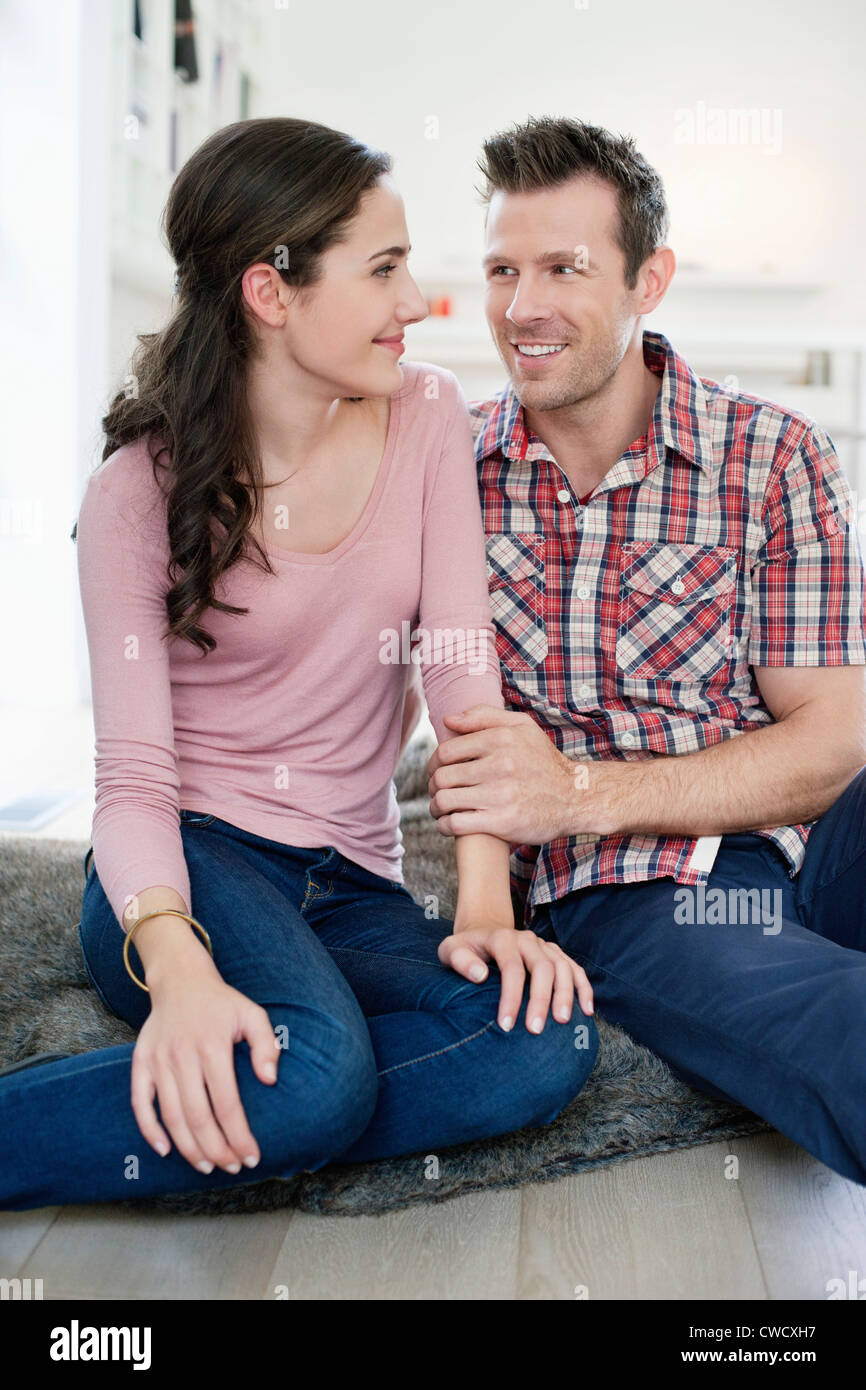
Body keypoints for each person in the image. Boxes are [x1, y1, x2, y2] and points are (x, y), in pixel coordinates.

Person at [0, 116, 598, 1213]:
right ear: (270, 294)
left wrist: (482, 906)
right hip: (190, 865)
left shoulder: (425, 418)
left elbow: (463, 680)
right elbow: (134, 785)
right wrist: (176, 971)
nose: (416, 300)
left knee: (541, 1036)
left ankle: (272, 1103)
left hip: (350, 877)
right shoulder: (136, 492)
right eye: (382, 269)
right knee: (318, 1070)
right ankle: (273, 1088)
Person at [426, 115, 866, 1186]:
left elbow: (836, 738)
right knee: (835, 1021)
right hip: (633, 888)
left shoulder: (767, 455)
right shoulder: (446, 472)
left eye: (562, 268)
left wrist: (577, 788)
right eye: (499, 269)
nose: (520, 307)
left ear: (646, 280)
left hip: (809, 851)